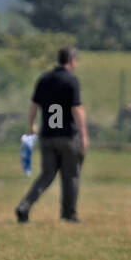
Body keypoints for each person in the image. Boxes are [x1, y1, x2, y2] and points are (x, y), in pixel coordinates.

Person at [15, 46, 87, 226]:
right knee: (70, 176)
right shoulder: (71, 80)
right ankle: (69, 214)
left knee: (46, 175)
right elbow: (76, 109)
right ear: (71, 61)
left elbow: (34, 105)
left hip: (47, 135)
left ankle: (25, 206)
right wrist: (84, 135)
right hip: (67, 136)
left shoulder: (45, 79)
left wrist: (31, 124)